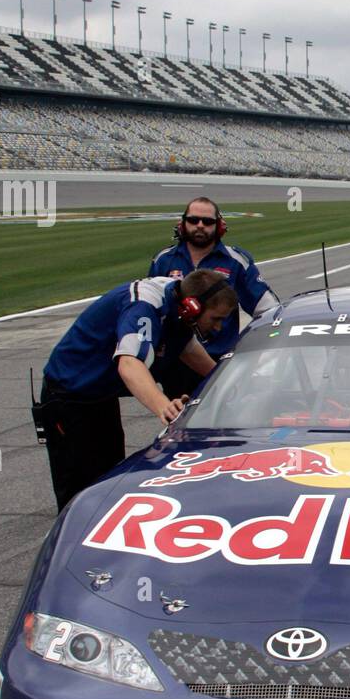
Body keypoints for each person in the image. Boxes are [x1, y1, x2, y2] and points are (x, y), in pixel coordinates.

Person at [38, 271, 238, 512]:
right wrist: (165, 408)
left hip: (101, 396)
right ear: (193, 306)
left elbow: (186, 347)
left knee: (107, 480)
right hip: (68, 397)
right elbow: (129, 363)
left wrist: (228, 380)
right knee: (79, 492)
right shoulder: (143, 306)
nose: (218, 327)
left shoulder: (179, 304)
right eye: (216, 318)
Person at [149, 196, 278, 397]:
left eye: (207, 221)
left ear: (219, 226)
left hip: (220, 361)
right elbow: (153, 309)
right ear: (182, 224)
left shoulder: (236, 261)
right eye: (193, 220)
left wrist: (262, 352)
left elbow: (268, 310)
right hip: (176, 365)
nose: (200, 226)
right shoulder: (163, 260)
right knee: (179, 423)